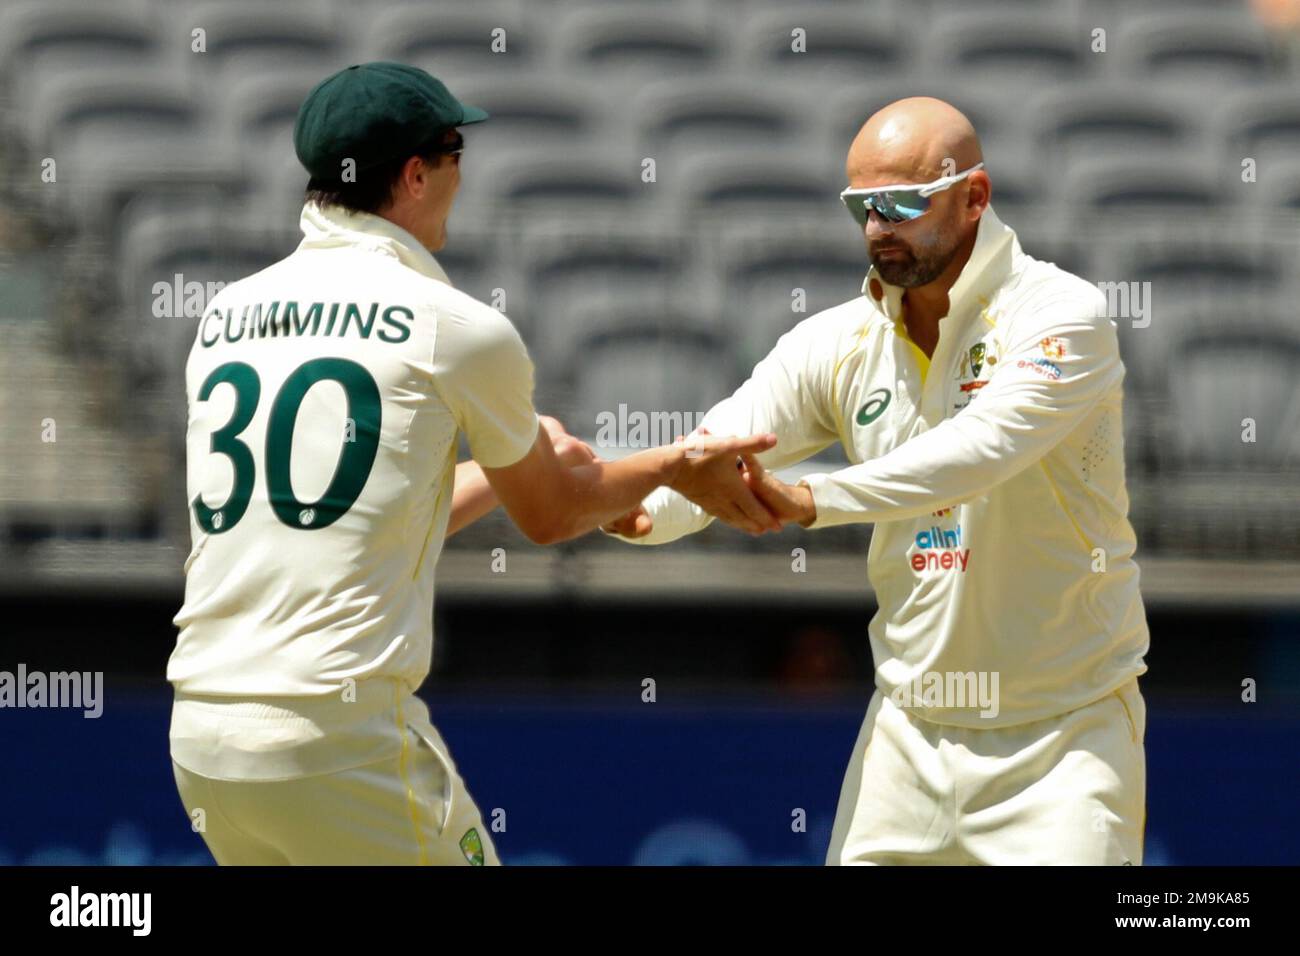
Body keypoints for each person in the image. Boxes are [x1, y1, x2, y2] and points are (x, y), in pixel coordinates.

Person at [168, 62, 777, 865]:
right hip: (339, 741)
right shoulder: (455, 325)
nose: (464, 172)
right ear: (416, 174)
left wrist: (494, 470)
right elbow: (553, 512)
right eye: (457, 150)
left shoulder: (224, 314)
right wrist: (672, 465)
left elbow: (357, 507)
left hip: (204, 740)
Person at [606, 96, 1150, 865]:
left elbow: (981, 448)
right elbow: (716, 449)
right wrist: (629, 507)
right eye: (859, 206)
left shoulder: (1065, 315)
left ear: (975, 197)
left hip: (1062, 740)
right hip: (907, 735)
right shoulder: (838, 340)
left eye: (898, 203)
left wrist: (813, 499)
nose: (875, 228)